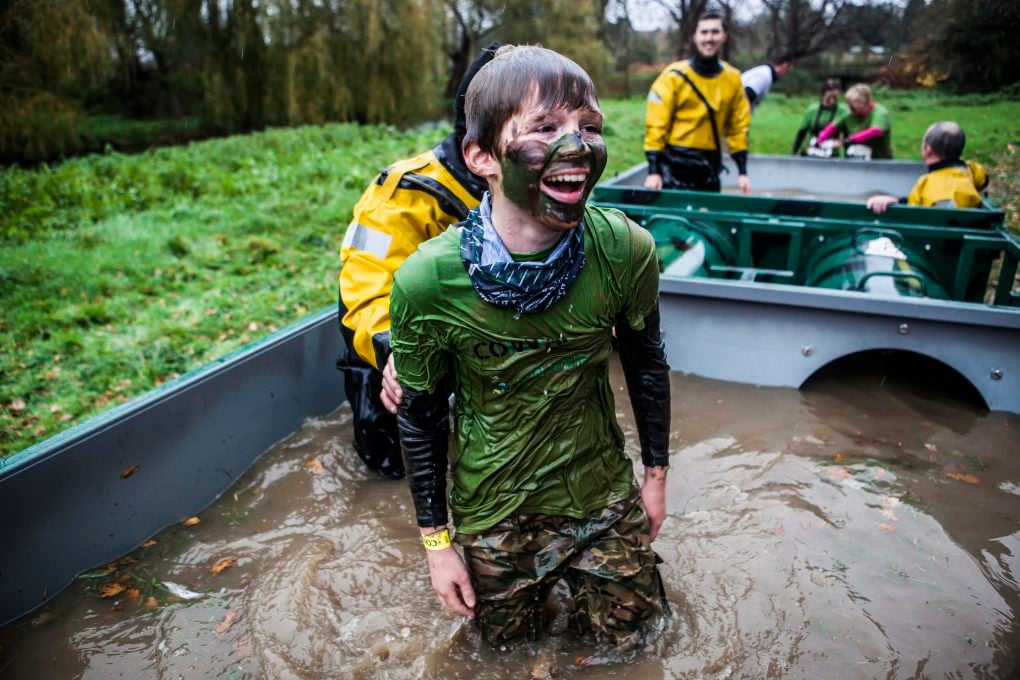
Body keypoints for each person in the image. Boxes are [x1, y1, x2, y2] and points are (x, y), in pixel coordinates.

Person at [389, 45, 672, 646]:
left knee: (635, 647)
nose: (577, 146)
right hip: (493, 513)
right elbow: (420, 418)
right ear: (481, 156)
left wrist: (655, 478)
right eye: (546, 127)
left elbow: (647, 364)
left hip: (601, 499)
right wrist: (438, 547)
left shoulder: (625, 249)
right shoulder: (428, 281)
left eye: (589, 126)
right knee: (503, 656)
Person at [336, 45, 499, 478]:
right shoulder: (404, 192)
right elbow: (364, 282)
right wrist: (392, 349)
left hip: (468, 331)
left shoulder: (530, 181)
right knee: (393, 466)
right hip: (386, 340)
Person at [643, 8, 752, 193]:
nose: (709, 38)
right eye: (704, 32)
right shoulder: (673, 77)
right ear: (695, 37)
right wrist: (654, 171)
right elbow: (656, 124)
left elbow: (737, 127)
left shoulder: (733, 79)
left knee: (707, 220)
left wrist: (742, 173)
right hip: (674, 165)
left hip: (710, 167)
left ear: (724, 36)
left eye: (715, 32)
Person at [866, 121, 989, 214]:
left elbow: (920, 214)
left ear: (928, 149)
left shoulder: (928, 183)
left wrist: (896, 202)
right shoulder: (971, 170)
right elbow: (983, 179)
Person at [815, 83, 892, 160]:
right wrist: (819, 141)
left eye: (853, 103)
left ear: (864, 102)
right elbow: (832, 127)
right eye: (848, 102)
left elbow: (875, 131)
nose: (850, 106)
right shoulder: (849, 112)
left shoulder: (879, 112)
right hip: (855, 160)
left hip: (880, 161)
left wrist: (848, 140)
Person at [791, 78, 849, 156]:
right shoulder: (812, 110)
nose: (832, 101)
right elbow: (801, 133)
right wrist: (794, 153)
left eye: (834, 97)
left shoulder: (842, 111)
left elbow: (847, 134)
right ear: (822, 95)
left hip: (831, 153)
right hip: (811, 150)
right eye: (829, 97)